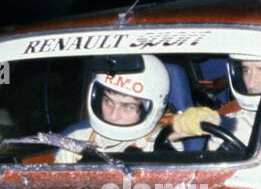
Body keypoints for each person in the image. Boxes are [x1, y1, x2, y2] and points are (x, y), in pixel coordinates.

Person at [53, 55, 210, 163]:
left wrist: (203, 121)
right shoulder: (76, 139)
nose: (113, 115)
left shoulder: (163, 139)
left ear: (150, 108)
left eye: (127, 106)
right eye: (108, 101)